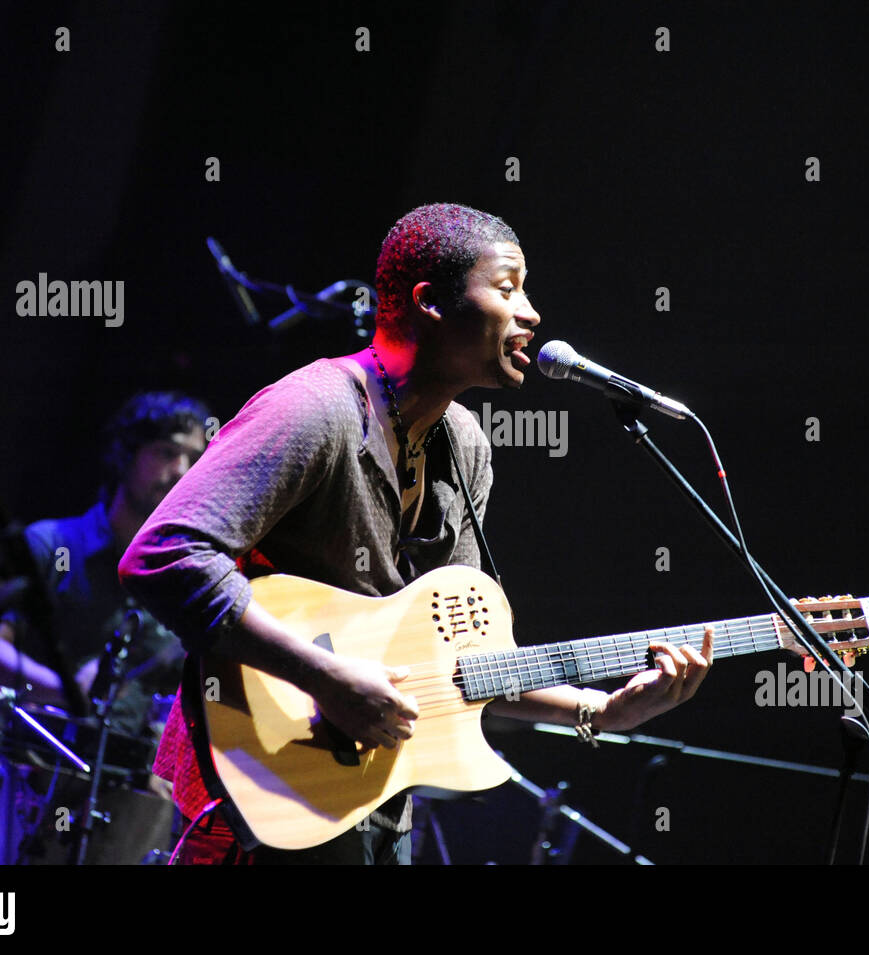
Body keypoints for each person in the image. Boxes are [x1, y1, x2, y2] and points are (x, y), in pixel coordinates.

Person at [118, 203, 713, 864]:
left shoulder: (466, 446)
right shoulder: (314, 408)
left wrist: (598, 712)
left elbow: (452, 667)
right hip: (262, 788)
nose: (533, 314)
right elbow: (164, 554)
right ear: (430, 302)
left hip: (372, 799)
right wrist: (328, 678)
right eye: (509, 287)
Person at [0, 390, 211, 863]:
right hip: (16, 758)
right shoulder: (49, 544)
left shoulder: (180, 579)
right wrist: (65, 692)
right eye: (167, 452)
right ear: (126, 455)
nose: (182, 471)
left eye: (194, 459)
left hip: (120, 787)